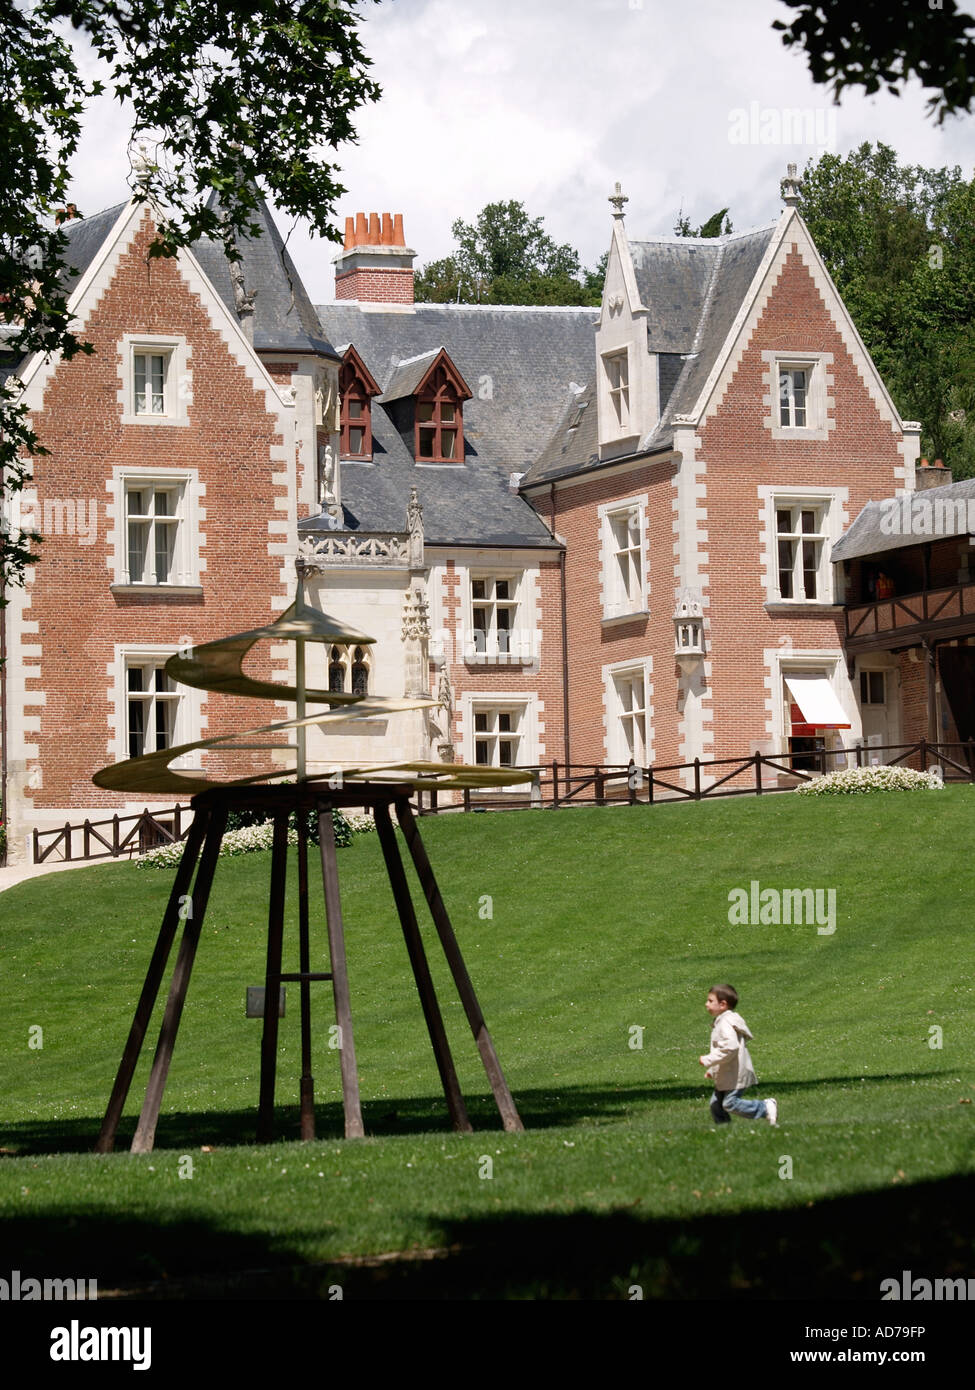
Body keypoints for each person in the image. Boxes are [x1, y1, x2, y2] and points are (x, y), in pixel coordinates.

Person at [699, 984, 777, 1126]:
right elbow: (722, 1050)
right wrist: (712, 1070)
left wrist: (708, 1060)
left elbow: (730, 1047)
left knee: (729, 1103)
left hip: (735, 1074)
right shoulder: (723, 1021)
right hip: (727, 1072)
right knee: (716, 1104)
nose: (706, 1004)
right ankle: (724, 1129)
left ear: (723, 1004)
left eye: (710, 1001)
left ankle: (765, 1107)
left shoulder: (725, 1023)